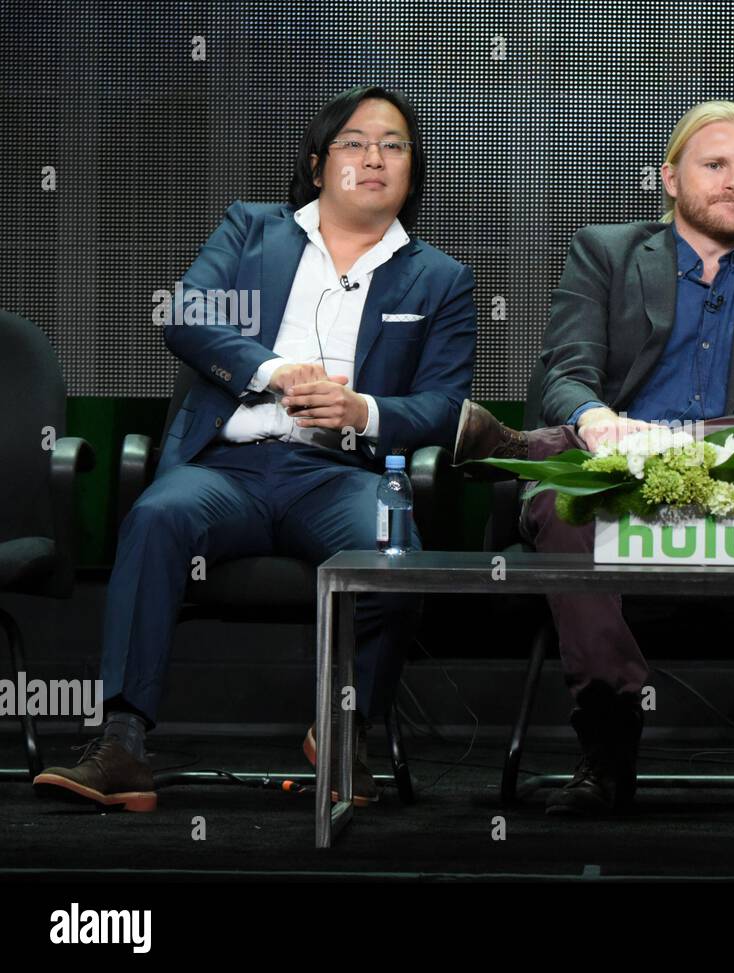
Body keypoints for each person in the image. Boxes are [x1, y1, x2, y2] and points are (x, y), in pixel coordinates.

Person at [34, 85, 476, 811]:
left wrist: (360, 408)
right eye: (356, 143)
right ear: (315, 163)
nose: (375, 158)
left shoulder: (440, 278)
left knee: (393, 553)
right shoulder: (252, 230)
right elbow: (187, 316)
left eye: (394, 145)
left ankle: (345, 726)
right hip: (229, 466)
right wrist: (273, 371)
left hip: (341, 474)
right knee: (155, 517)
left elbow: (441, 407)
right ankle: (121, 746)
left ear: (413, 170)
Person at [454, 100, 734, 816]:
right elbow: (563, 372)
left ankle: (517, 449)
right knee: (570, 504)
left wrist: (678, 442)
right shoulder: (607, 252)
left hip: (723, 486)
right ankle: (607, 739)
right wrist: (596, 420)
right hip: (606, 474)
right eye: (714, 165)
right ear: (668, 177)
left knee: (581, 454)